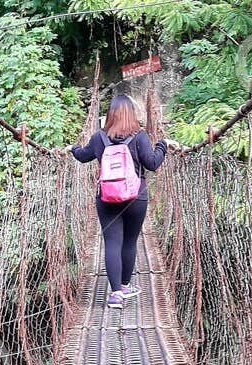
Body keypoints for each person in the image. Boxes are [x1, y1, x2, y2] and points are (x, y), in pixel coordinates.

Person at [70, 94, 176, 309]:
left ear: (109, 114)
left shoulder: (99, 137)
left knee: (112, 242)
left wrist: (72, 148)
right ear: (132, 114)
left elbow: (82, 156)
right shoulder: (140, 137)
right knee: (129, 241)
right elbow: (153, 163)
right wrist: (163, 145)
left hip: (107, 197)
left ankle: (116, 294)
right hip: (135, 198)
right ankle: (125, 285)